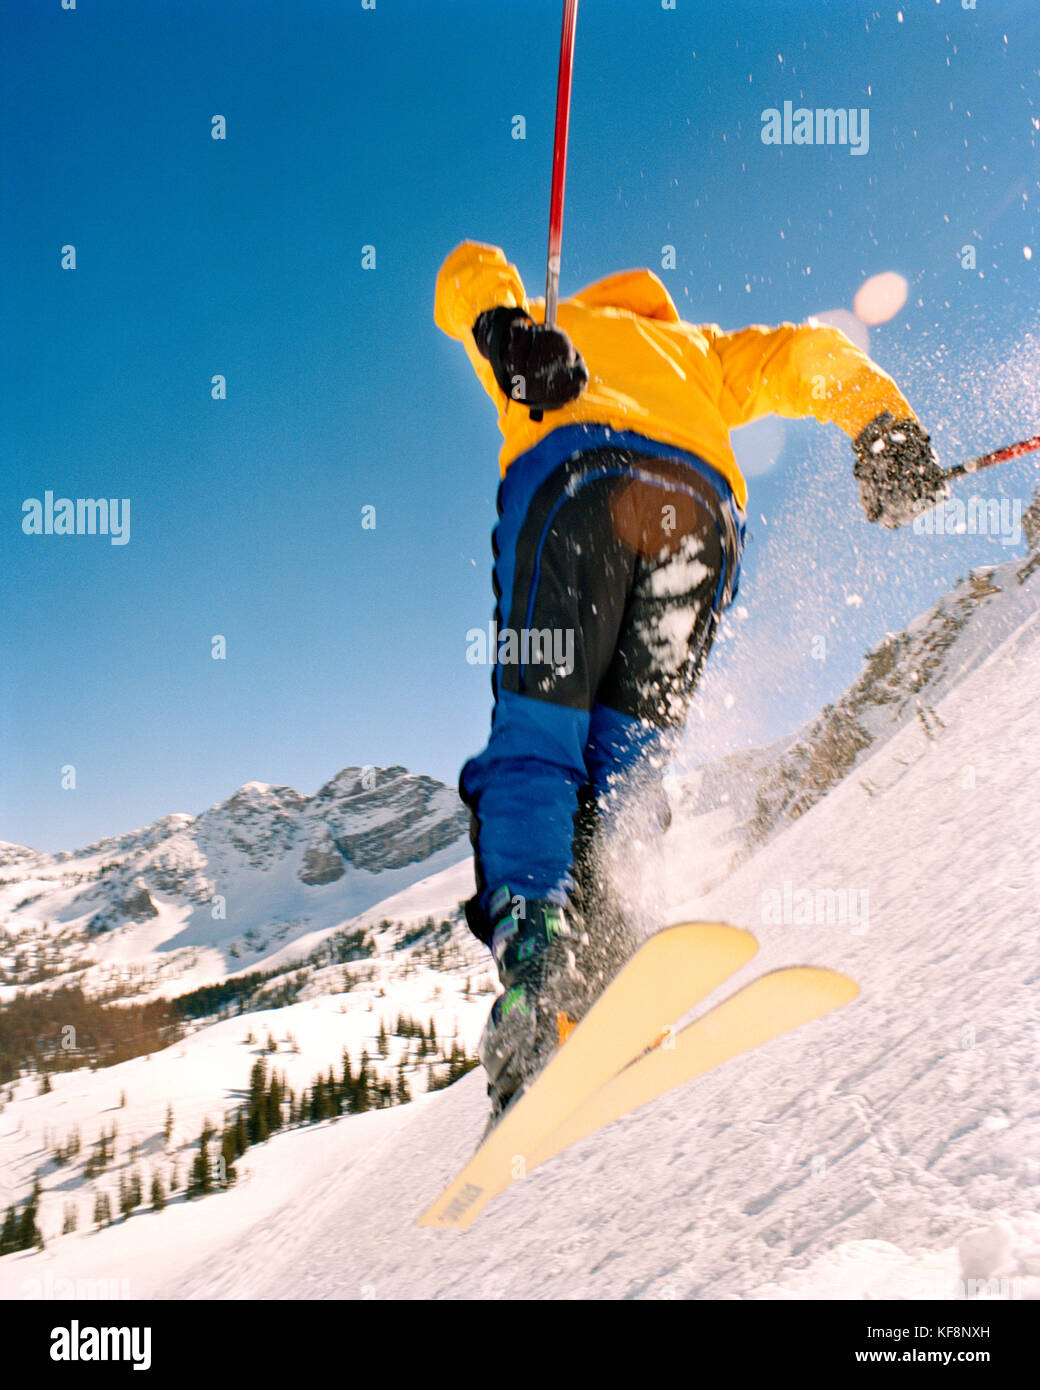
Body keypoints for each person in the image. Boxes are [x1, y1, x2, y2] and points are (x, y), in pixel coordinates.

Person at [434, 239, 946, 1115]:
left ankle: (536, 965)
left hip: (579, 490)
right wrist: (882, 425)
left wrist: (506, 330)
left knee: (540, 731)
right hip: (696, 517)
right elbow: (806, 357)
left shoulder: (558, 334)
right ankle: (609, 940)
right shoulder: (702, 351)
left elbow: (466, 268)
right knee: (626, 754)